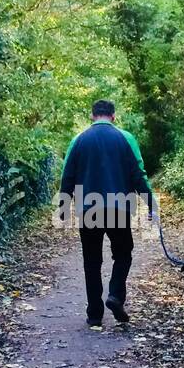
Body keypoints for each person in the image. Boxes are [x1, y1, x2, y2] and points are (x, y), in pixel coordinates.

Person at [59, 99, 153, 328]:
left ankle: (94, 314)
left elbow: (68, 175)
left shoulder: (79, 140)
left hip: (88, 209)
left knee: (91, 261)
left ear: (92, 116)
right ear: (113, 116)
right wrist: (150, 202)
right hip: (119, 207)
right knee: (123, 254)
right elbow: (137, 174)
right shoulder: (124, 139)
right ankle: (115, 295)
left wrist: (63, 206)